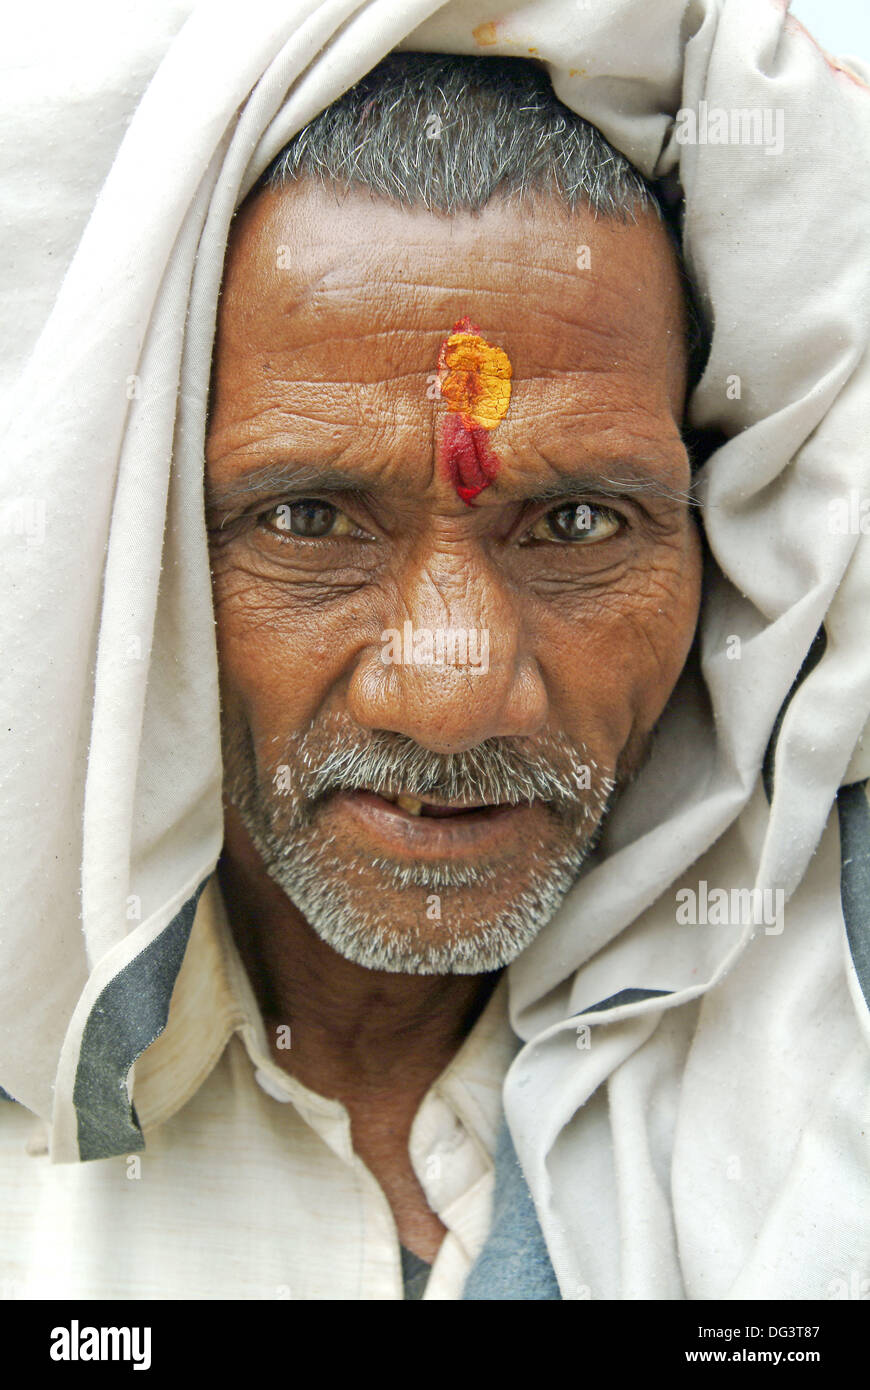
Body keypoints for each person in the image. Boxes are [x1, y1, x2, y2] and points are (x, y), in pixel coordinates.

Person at [1, 1, 868, 1302]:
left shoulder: (828, 1016)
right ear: (147, 554)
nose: (452, 693)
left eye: (575, 521)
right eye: (306, 519)